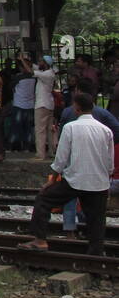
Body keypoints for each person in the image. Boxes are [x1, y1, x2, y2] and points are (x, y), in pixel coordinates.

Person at [19, 92, 113, 256]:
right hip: (98, 182)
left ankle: (40, 240)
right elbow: (109, 163)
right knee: (97, 218)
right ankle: (96, 252)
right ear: (93, 107)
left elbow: (61, 159)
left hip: (74, 180)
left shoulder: (70, 128)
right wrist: (106, 182)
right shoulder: (106, 131)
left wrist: (52, 181)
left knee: (44, 199)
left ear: (76, 108)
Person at [25, 53, 58, 161]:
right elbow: (33, 66)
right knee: (49, 129)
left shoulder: (46, 74)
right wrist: (27, 59)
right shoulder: (48, 72)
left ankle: (40, 154)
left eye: (41, 62)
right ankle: (51, 152)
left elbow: (30, 71)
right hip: (49, 104)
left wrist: (21, 60)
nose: (39, 63)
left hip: (41, 104)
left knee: (40, 130)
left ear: (45, 64)